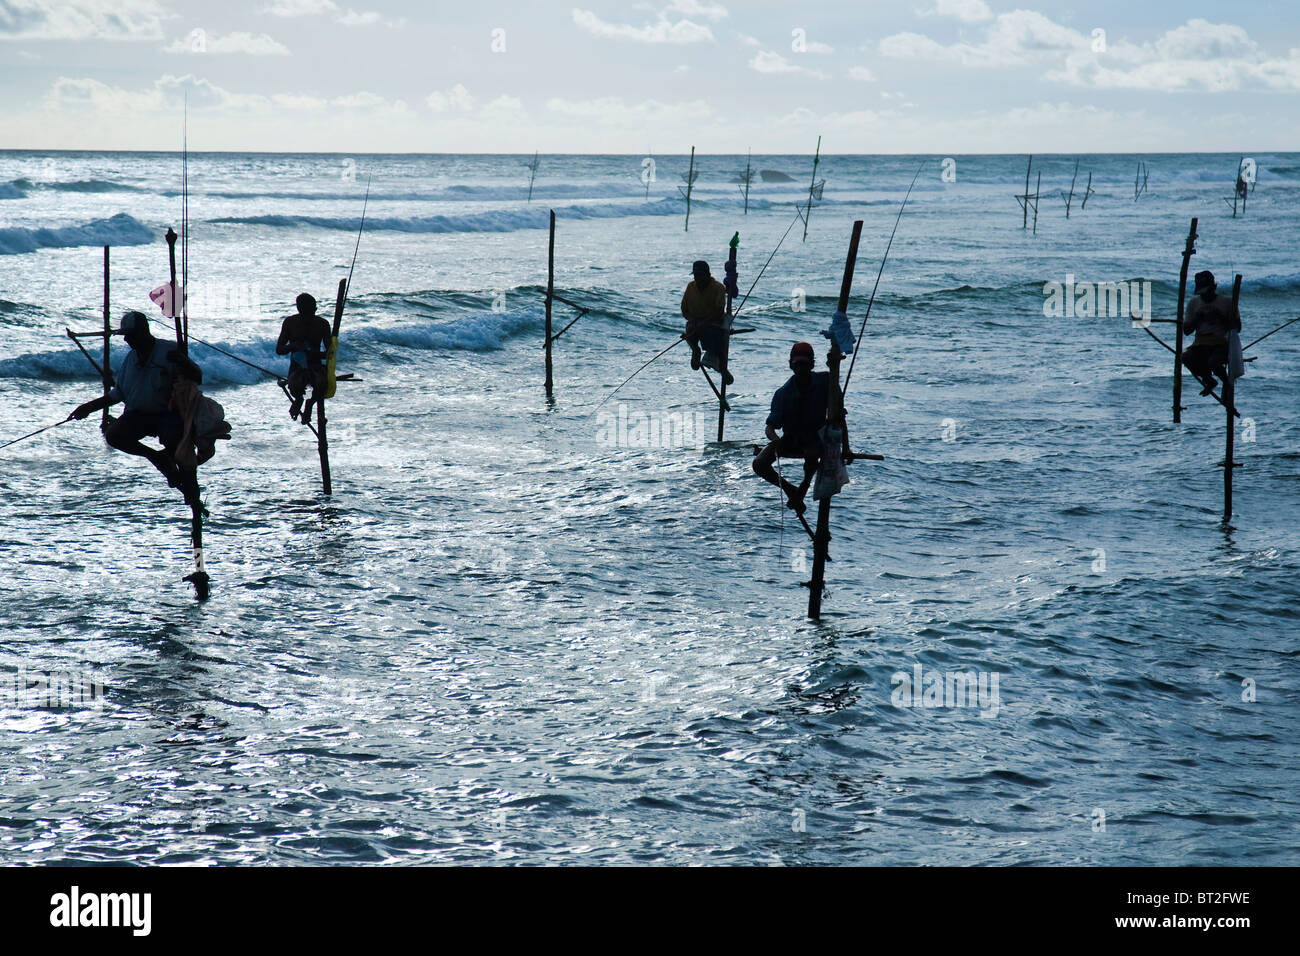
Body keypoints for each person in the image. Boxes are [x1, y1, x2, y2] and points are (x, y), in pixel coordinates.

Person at [70, 311, 204, 507]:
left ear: (143, 332)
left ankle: (191, 493)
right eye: (125, 335)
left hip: (167, 414)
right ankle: (156, 457)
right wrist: (87, 407)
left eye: (130, 335)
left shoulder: (170, 351)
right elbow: (117, 395)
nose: (126, 340)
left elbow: (197, 377)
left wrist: (184, 363)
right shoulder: (130, 359)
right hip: (138, 415)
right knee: (114, 435)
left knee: (177, 446)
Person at [752, 342, 848, 515]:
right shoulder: (782, 393)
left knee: (812, 454)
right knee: (759, 464)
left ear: (811, 364)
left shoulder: (826, 381)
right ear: (791, 365)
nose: (801, 369)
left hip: (815, 439)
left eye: (804, 364)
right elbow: (770, 427)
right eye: (797, 365)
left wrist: (846, 448)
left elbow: (839, 417)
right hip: (790, 439)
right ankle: (790, 489)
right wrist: (776, 441)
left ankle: (803, 487)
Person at [276, 292, 333, 422]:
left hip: (315, 365)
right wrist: (293, 346)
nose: (313, 312)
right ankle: (299, 400)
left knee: (321, 384)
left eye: (313, 309)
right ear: (299, 309)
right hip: (297, 366)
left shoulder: (322, 323)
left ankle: (310, 403)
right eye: (309, 310)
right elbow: (279, 349)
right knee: (295, 386)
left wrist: (317, 354)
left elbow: (330, 352)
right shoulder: (290, 322)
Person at [1182, 270, 1239, 396]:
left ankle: (1226, 383)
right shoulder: (1194, 304)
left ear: (1214, 287)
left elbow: (1237, 328)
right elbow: (1186, 331)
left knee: (1214, 362)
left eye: (1206, 292)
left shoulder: (1227, 302)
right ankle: (1208, 380)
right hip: (1200, 343)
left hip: (1220, 343)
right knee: (1185, 357)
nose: (1204, 296)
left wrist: (1220, 316)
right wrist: (1197, 317)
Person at [681, 260, 732, 385]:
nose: (697, 279)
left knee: (717, 337)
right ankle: (695, 350)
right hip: (695, 322)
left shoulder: (718, 288)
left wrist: (703, 322)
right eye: (695, 275)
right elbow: (684, 310)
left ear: (708, 274)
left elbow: (719, 311)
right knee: (689, 332)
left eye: (700, 275)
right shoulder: (690, 286)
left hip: (713, 323)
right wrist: (693, 320)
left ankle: (722, 368)